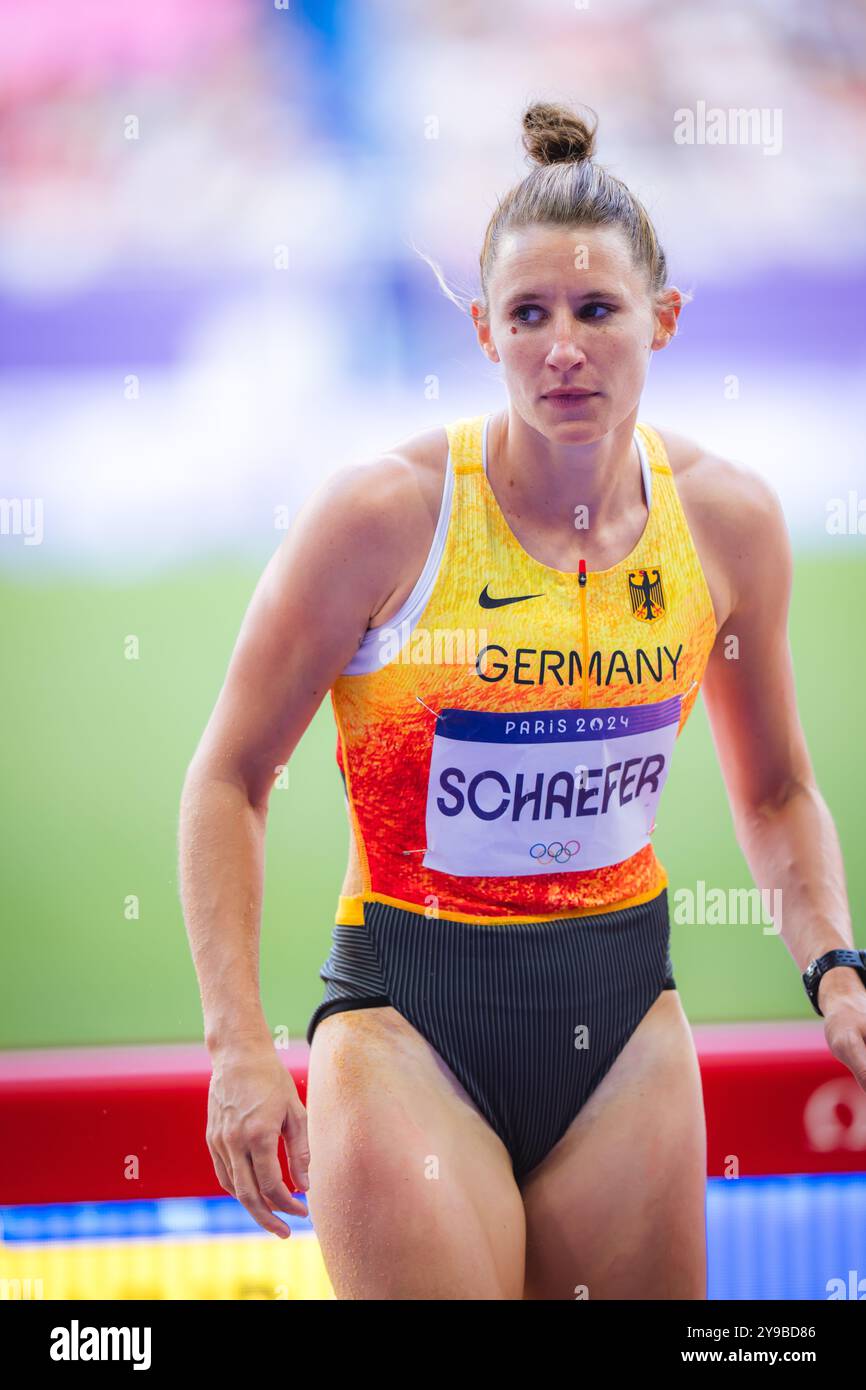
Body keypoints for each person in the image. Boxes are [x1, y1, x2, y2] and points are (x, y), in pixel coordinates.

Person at [178, 101, 866, 1300]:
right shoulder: (381, 517)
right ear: (479, 330)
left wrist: (835, 967)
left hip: (623, 1024)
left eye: (596, 311)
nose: (562, 348)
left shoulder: (728, 523)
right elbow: (229, 776)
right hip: (408, 1027)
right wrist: (236, 1042)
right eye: (527, 316)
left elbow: (778, 787)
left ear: (662, 319)